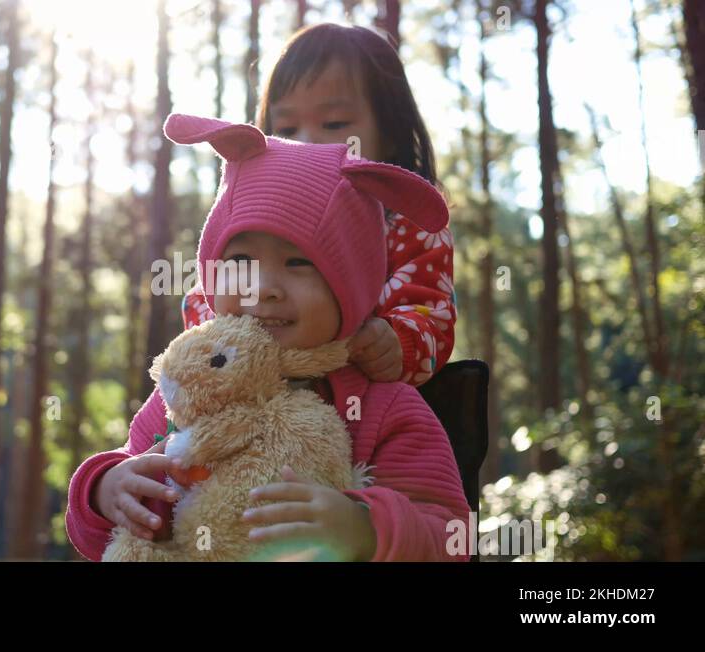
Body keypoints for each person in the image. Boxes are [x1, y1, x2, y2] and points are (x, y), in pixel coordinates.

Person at [66, 113, 470, 561]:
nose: (263, 287)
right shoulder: (189, 389)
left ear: (353, 289)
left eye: (299, 263)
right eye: (240, 262)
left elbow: (450, 535)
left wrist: (366, 530)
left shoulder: (383, 406)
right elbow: (121, 496)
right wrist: (103, 490)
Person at [183, 23, 455, 387]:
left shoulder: (410, 226)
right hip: (247, 409)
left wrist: (396, 341)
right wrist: (218, 336)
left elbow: (431, 315)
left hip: (364, 422)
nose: (309, 142)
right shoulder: (256, 215)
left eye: (334, 123)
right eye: (288, 128)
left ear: (389, 134)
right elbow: (204, 294)